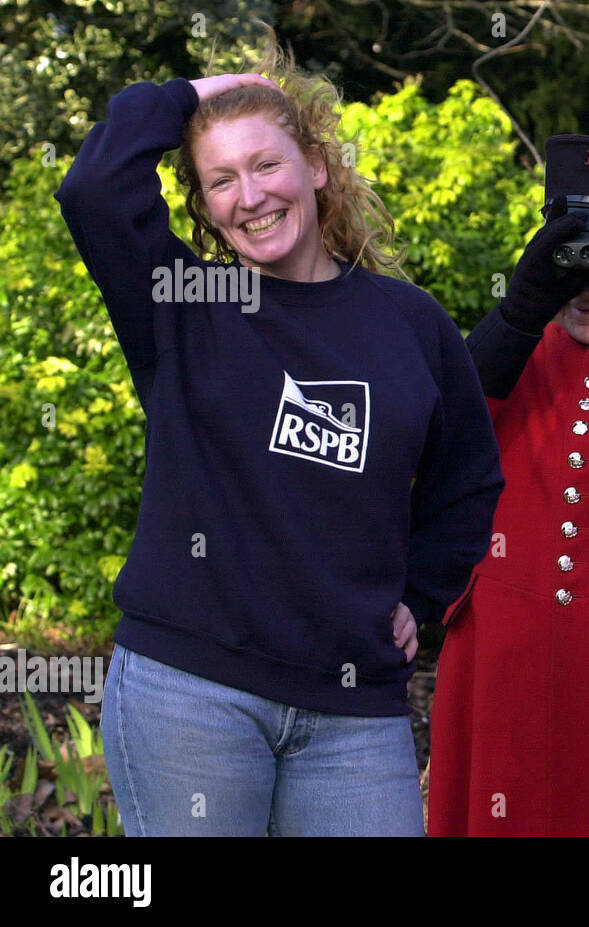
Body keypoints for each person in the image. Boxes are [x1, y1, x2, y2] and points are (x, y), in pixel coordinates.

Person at [55, 45, 503, 836]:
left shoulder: (410, 324)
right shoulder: (185, 303)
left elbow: (467, 481)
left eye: (267, 164)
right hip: (192, 693)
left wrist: (420, 593)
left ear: (319, 168)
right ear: (204, 205)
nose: (250, 196)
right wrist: (193, 91)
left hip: (353, 710)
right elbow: (93, 186)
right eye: (221, 180)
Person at [426, 135, 589, 836]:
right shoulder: (510, 355)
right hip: (499, 666)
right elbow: (432, 465)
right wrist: (514, 316)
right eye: (571, 249)